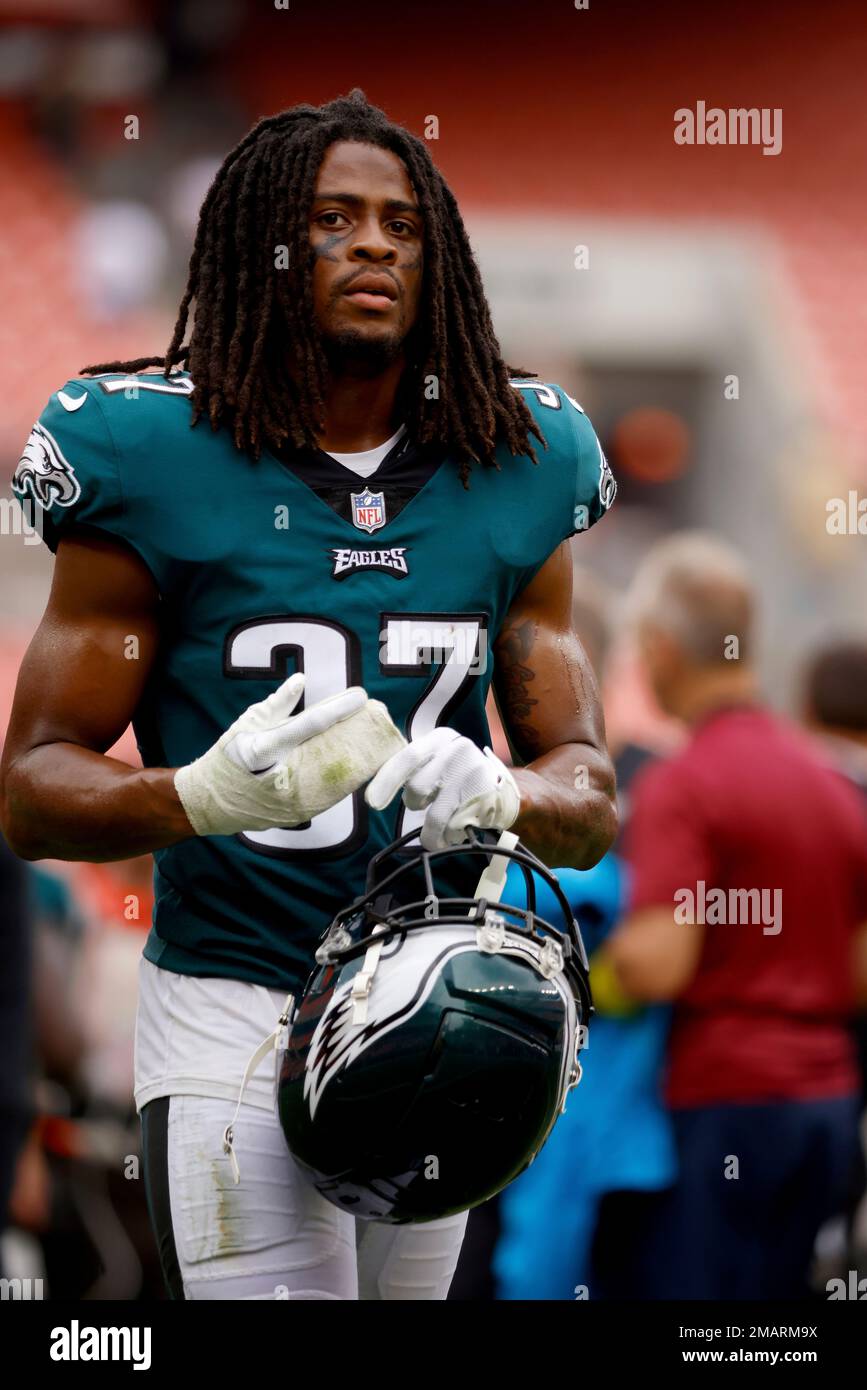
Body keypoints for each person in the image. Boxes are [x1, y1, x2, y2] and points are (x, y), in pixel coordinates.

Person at [0, 91, 617, 1301]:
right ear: (261, 247)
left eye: (401, 223)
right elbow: (30, 790)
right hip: (235, 992)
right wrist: (199, 793)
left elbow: (589, 792)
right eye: (333, 219)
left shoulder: (524, 456)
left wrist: (505, 790)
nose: (376, 243)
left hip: (440, 993)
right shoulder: (145, 450)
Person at [602, 532, 867, 1299]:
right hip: (823, 1106)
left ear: (658, 648)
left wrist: (582, 979)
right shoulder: (828, 786)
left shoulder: (684, 785)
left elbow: (657, 962)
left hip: (721, 1103)